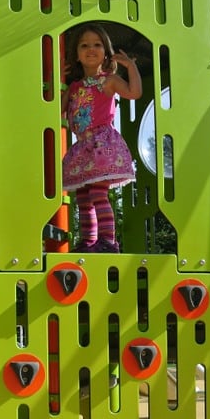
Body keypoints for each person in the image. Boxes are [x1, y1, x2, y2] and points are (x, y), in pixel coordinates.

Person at [62, 23, 142, 253]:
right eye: (84, 45)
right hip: (83, 146)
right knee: (84, 197)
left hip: (101, 145)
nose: (91, 49)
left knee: (98, 193)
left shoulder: (109, 80)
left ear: (106, 52)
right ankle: (89, 241)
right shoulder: (75, 87)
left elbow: (134, 93)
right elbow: (55, 108)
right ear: (76, 54)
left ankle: (108, 241)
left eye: (97, 45)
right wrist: (56, 77)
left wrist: (131, 67)